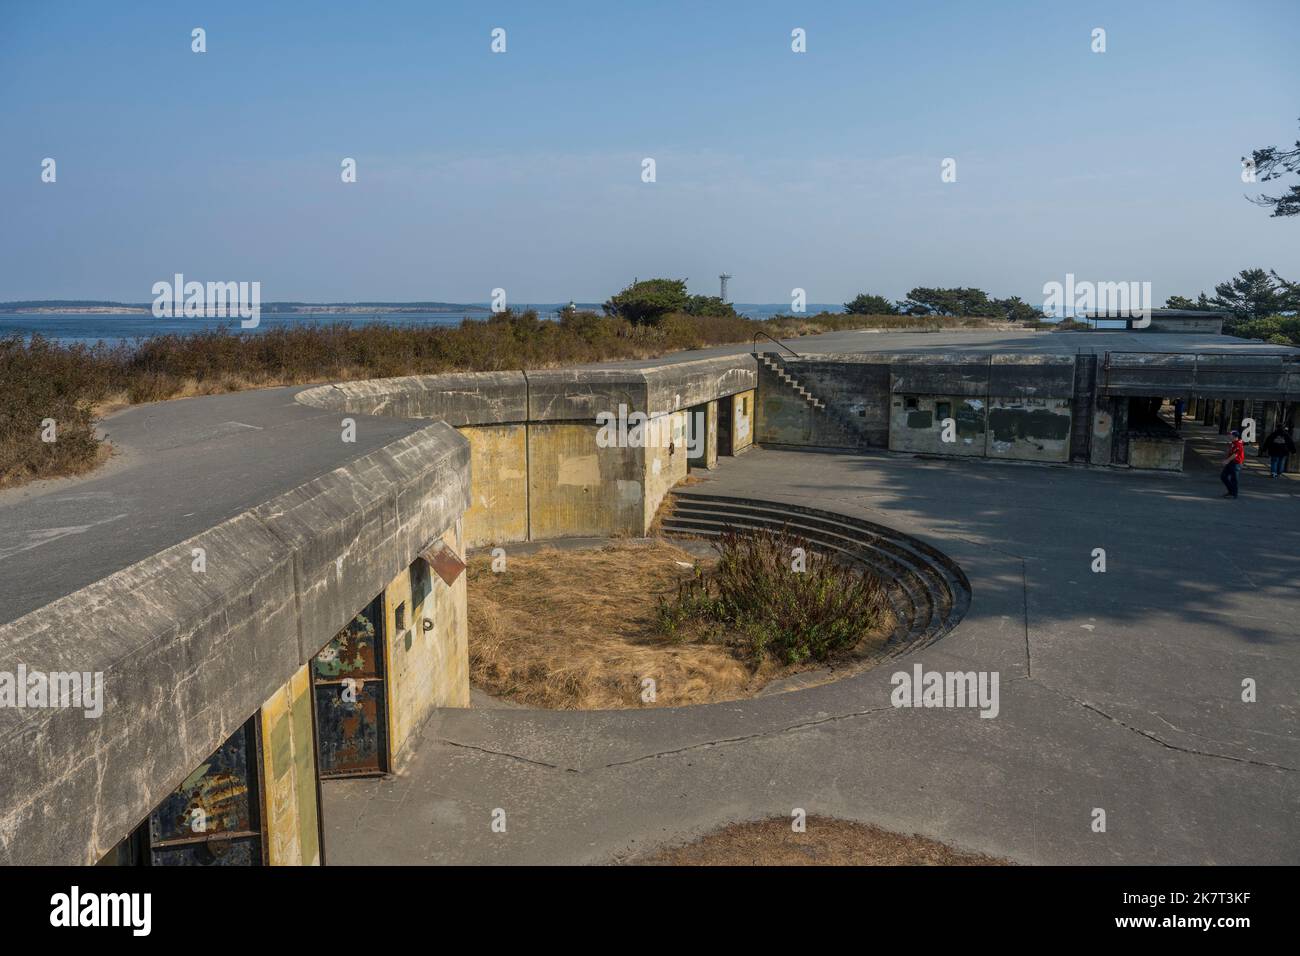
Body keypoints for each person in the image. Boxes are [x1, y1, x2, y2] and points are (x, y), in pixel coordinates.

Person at [1220, 428, 1245, 498]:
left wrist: (1226, 461)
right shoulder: (1233, 443)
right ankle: (1231, 491)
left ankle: (1233, 493)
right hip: (1231, 463)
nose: (1229, 436)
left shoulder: (1238, 444)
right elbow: (1231, 453)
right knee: (1223, 476)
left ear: (1235, 436)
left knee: (1234, 479)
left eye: (1230, 435)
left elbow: (1235, 454)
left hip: (1235, 463)